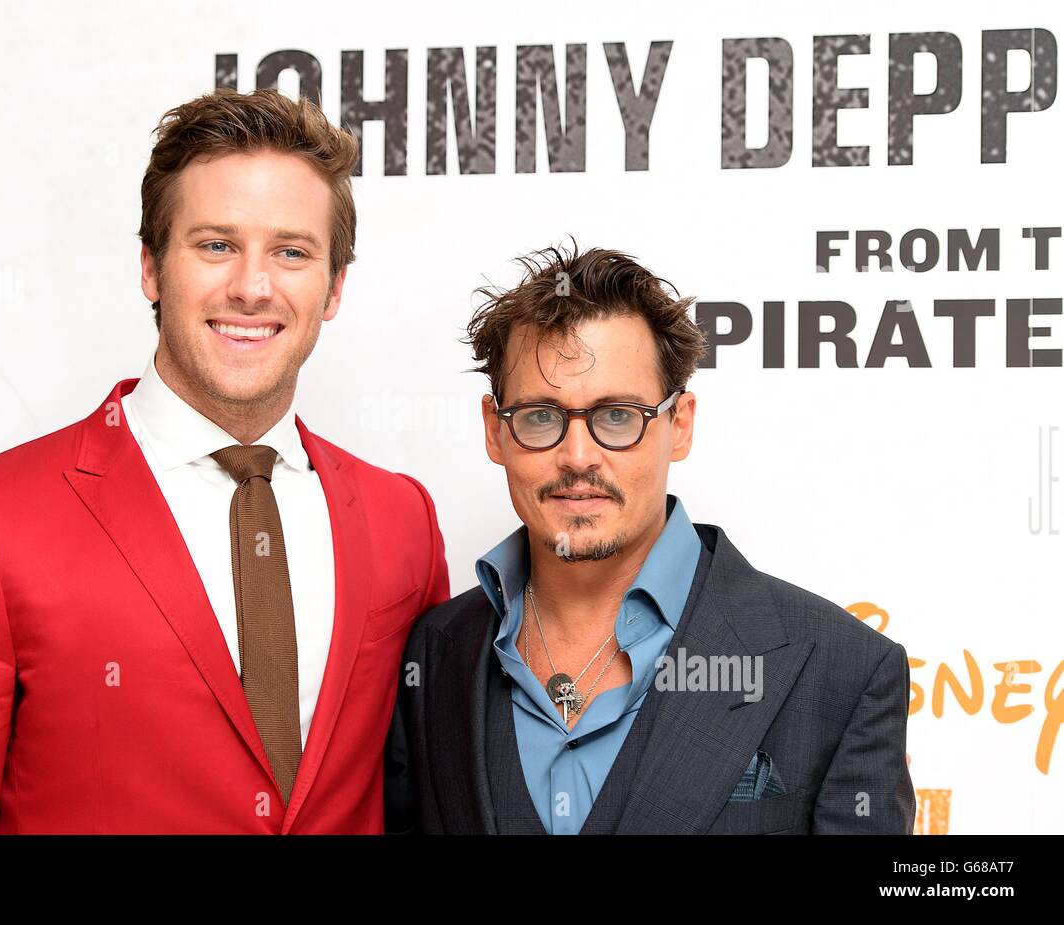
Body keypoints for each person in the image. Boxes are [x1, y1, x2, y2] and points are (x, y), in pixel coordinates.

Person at [0, 88, 449, 834]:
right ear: (149, 268)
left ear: (333, 287)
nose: (251, 286)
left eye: (292, 251)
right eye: (215, 245)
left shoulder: (403, 520)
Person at [385, 242, 915, 834]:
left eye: (617, 416)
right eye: (540, 416)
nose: (577, 457)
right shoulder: (433, 652)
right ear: (494, 430)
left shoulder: (843, 669)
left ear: (679, 425)